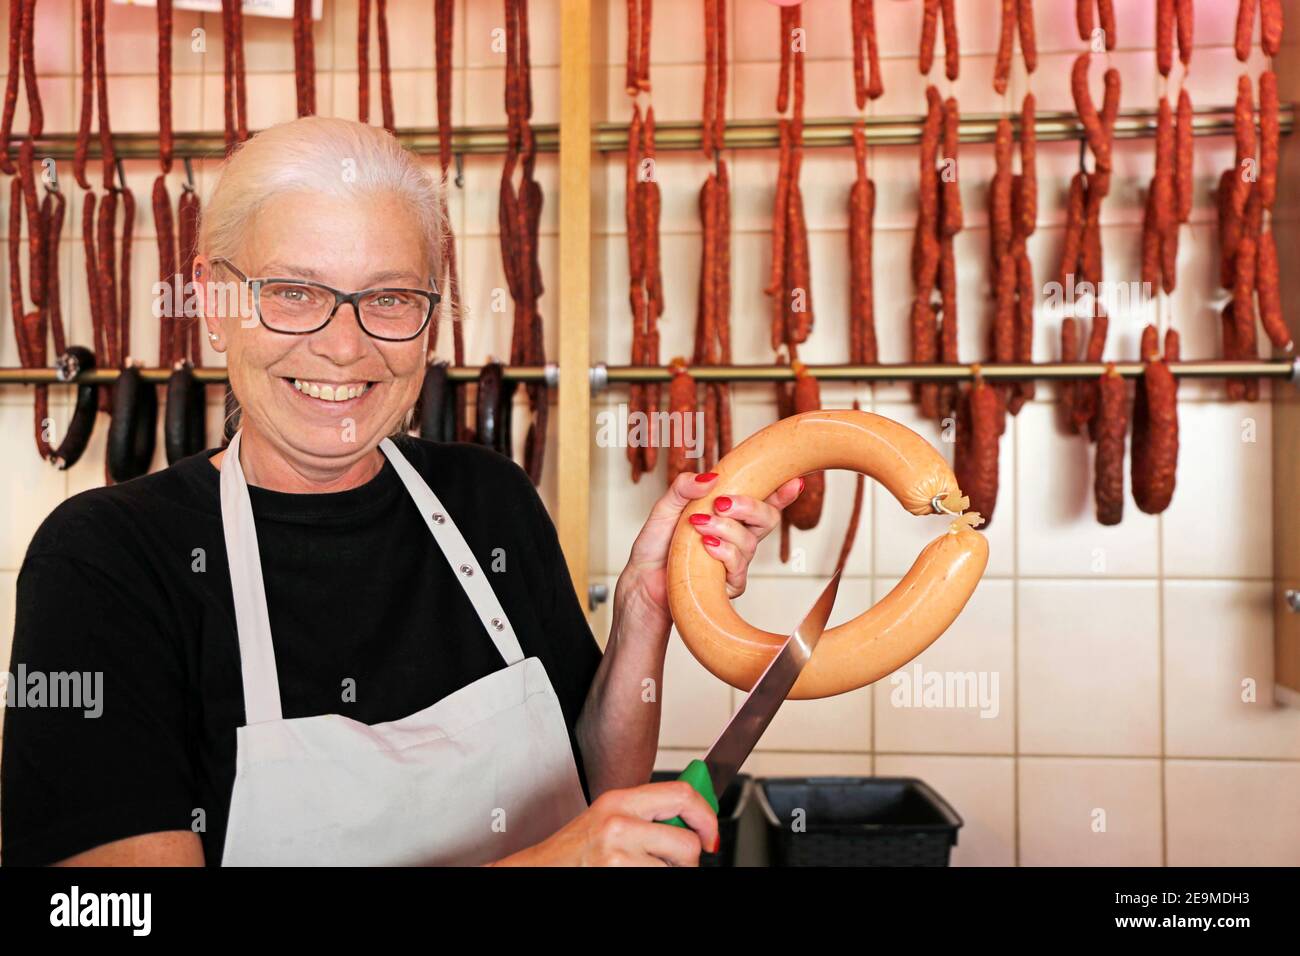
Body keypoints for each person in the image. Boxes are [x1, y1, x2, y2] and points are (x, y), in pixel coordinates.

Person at [0, 116, 802, 866]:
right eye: (294, 292)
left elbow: (596, 784)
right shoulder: (106, 559)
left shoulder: (488, 499)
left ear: (429, 321)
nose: (344, 347)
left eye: (388, 299)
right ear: (214, 302)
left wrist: (643, 614)